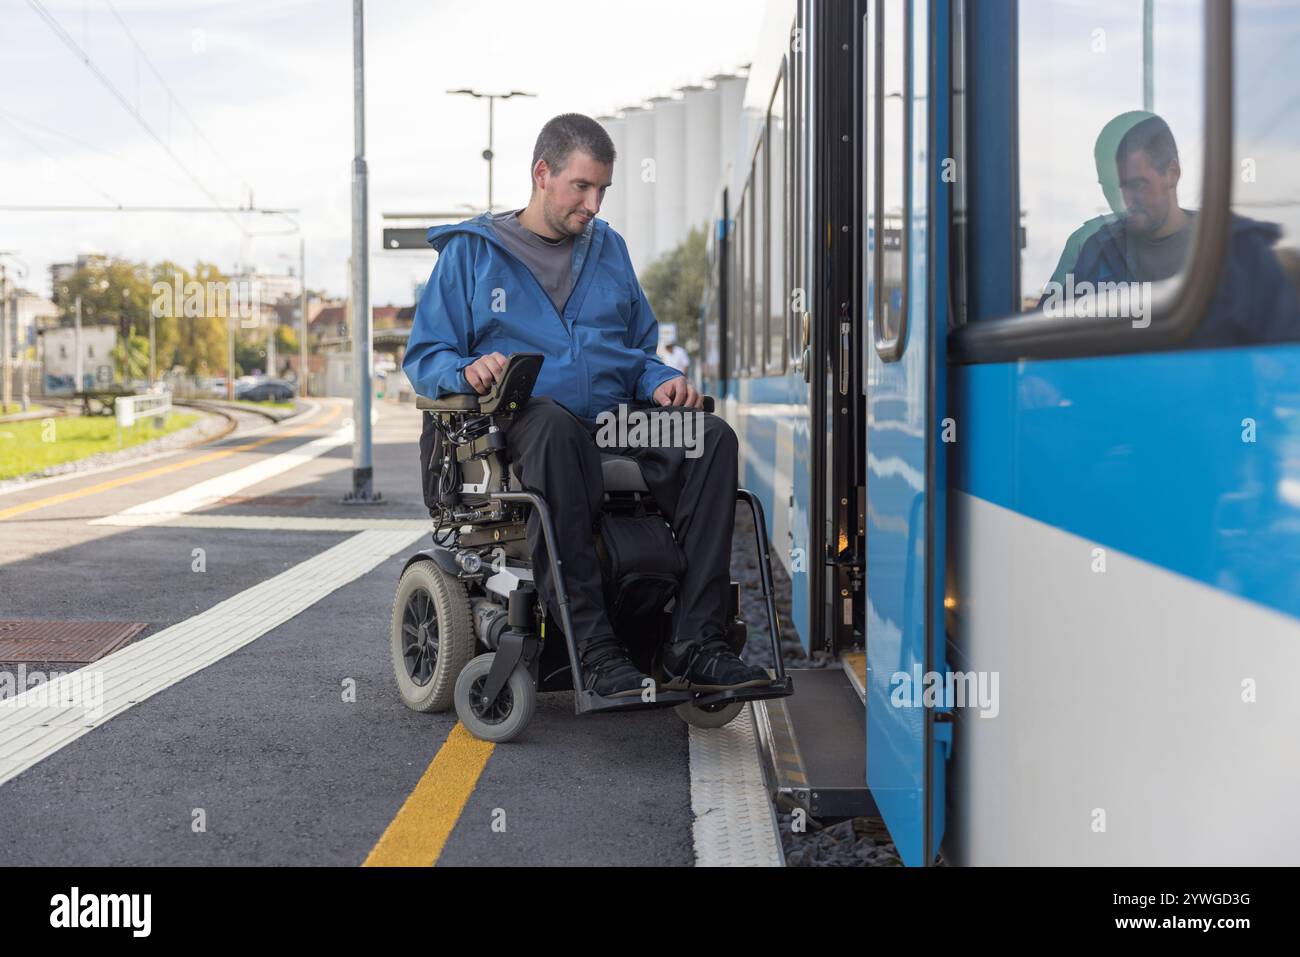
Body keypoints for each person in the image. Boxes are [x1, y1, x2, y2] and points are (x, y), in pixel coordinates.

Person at [403, 113, 769, 698]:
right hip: (517, 425)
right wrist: (464, 367)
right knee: (554, 428)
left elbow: (636, 348)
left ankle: (696, 642)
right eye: (582, 186)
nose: (594, 204)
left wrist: (659, 381)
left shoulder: (609, 249)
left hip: (613, 422)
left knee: (709, 437)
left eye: (603, 190)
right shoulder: (472, 254)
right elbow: (426, 354)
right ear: (542, 174)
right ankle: (594, 648)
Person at [1058, 114, 1299, 345]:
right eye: (1123, 188)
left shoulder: (1240, 253)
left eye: (1138, 185)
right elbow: (1051, 339)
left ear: (1172, 174)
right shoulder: (1098, 252)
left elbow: (1282, 360)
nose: (1127, 201)